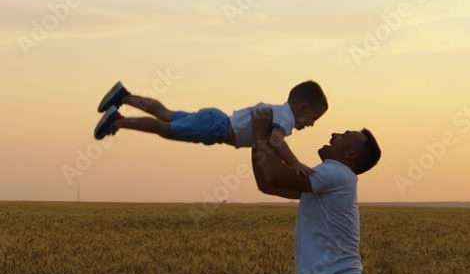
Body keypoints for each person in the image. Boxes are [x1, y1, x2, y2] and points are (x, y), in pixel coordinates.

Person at [250, 107, 381, 274]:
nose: (333, 135)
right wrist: (258, 137)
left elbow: (273, 176)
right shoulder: (331, 177)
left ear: (350, 155)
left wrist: (259, 131)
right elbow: (267, 184)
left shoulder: (335, 173)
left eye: (343, 137)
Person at [93, 79, 328, 175]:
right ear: (302, 108)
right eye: (313, 118)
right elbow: (276, 140)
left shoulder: (280, 110)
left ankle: (124, 97)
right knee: (164, 127)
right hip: (215, 129)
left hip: (215, 119)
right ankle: (118, 120)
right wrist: (294, 163)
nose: (311, 125)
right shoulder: (286, 118)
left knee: (166, 114)